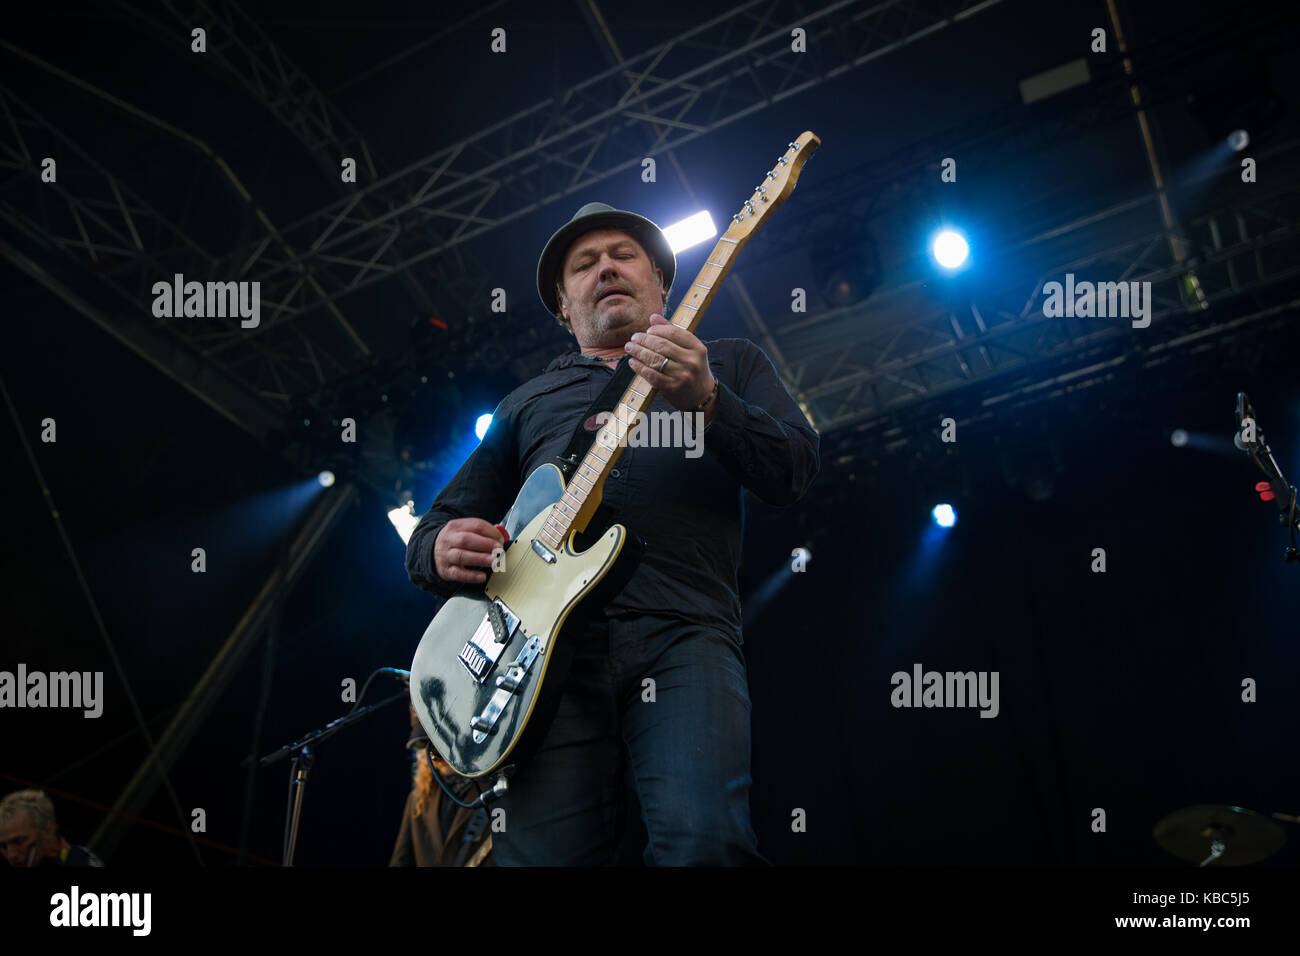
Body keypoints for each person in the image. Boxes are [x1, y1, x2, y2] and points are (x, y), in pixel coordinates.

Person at [405, 201, 819, 865]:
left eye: (622, 256)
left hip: (683, 632)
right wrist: (439, 546)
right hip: (540, 663)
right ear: (564, 309)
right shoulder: (525, 405)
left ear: (661, 283)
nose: (605, 269)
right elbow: (438, 524)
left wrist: (708, 399)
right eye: (584, 264)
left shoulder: (725, 362)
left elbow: (792, 469)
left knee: (704, 843)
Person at [390, 704, 494, 867]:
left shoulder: (496, 793)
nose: (434, 753)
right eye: (424, 744)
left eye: (440, 742)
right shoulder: (418, 799)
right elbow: (401, 861)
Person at [0, 789, 104, 867]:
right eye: (3, 846)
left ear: (48, 829)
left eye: (19, 841)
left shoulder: (82, 863)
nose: (11, 855)